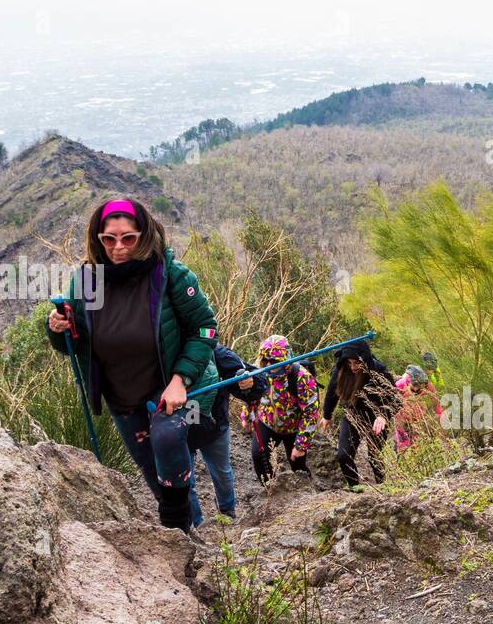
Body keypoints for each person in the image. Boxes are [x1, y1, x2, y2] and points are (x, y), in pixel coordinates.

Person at [45, 197, 220, 533]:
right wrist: (58, 329)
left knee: (167, 440)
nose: (118, 247)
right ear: (97, 239)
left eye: (128, 237)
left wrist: (180, 379)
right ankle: (192, 529)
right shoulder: (89, 281)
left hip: (173, 386)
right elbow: (78, 341)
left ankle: (178, 532)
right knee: (156, 474)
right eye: (108, 239)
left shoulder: (167, 273)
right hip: (122, 396)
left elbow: (205, 327)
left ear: (145, 234)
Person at [187, 344, 268, 526]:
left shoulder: (215, 353)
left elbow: (257, 378)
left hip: (214, 426)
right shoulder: (165, 353)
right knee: (185, 479)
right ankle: (194, 524)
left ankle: (227, 513)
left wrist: (250, 383)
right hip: (180, 428)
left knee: (221, 471)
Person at [318, 338, 399, 489]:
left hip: (376, 418)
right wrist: (327, 415)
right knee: (343, 455)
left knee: (374, 456)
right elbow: (331, 392)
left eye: (357, 363)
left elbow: (394, 399)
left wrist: (382, 415)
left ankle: (384, 488)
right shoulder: (342, 369)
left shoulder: (379, 371)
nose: (353, 367)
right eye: (350, 363)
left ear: (365, 360)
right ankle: (355, 489)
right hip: (352, 415)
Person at [243, 334, 319, 484]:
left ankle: (306, 493)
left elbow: (310, 413)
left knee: (297, 464)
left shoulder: (302, 377)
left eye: (275, 361)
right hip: (267, 422)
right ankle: (270, 489)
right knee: (259, 456)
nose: (269, 364)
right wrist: (247, 415)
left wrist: (301, 445)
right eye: (266, 360)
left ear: (285, 360)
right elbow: (251, 396)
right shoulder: (259, 372)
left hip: (294, 427)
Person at [393, 364, 442, 452]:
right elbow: (391, 398)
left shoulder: (428, 385)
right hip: (401, 418)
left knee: (417, 444)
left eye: (419, 386)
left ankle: (415, 457)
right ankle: (401, 456)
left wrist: (438, 413)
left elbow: (436, 400)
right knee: (402, 443)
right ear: (409, 382)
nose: (416, 389)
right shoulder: (400, 384)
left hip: (418, 418)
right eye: (414, 385)